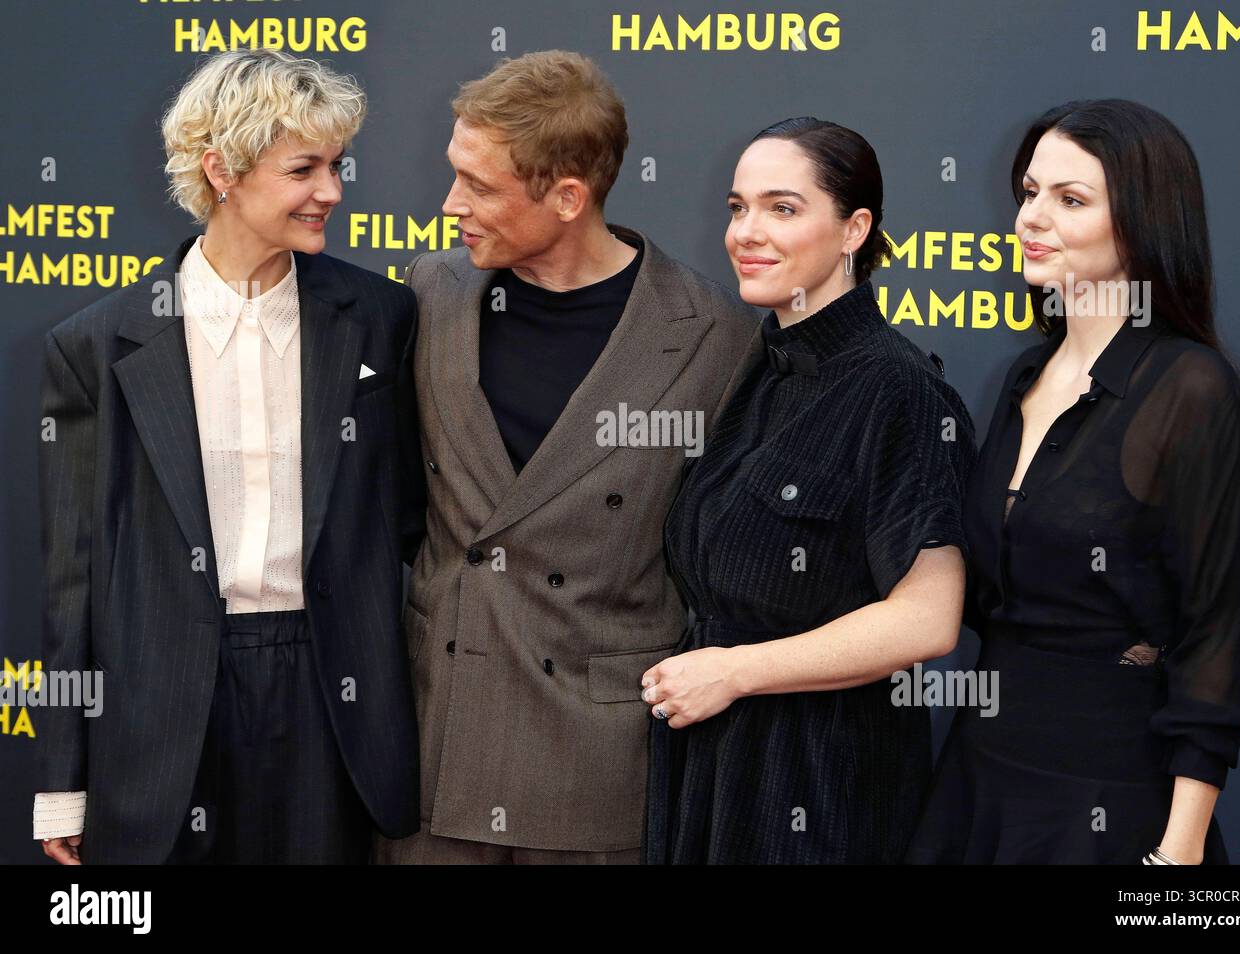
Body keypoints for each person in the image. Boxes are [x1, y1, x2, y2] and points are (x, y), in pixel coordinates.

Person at [34, 49, 424, 864]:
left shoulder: (382, 317)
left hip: (334, 701)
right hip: (165, 713)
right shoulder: (96, 347)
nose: (333, 192)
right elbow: (74, 577)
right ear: (221, 169)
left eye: (337, 165)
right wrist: (62, 783)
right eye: (304, 168)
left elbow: (408, 526)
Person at [371, 51, 760, 864]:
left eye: (479, 187)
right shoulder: (431, 293)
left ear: (567, 197)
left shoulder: (714, 337)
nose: (450, 206)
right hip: (437, 739)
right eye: (455, 176)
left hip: (595, 768)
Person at [905, 99, 1240, 865]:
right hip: (980, 778)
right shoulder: (1025, 376)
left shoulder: (1192, 392)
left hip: (1115, 801)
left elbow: (1219, 636)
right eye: (1030, 192)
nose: (1032, 218)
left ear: (1142, 222)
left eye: (1071, 200)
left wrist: (1177, 856)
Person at [641, 117, 978, 864]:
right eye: (737, 207)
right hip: (713, 761)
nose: (747, 232)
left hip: (823, 778)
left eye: (782, 208)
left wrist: (734, 671)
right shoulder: (759, 365)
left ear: (854, 229)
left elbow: (927, 622)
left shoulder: (901, 391)